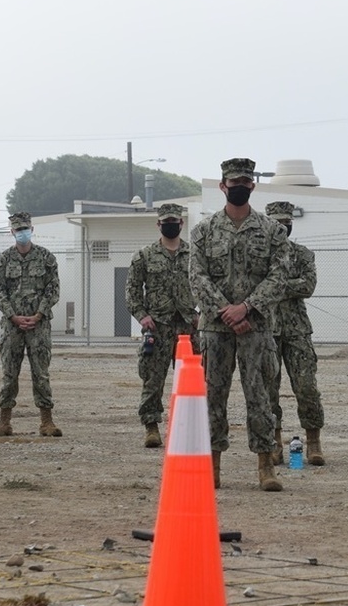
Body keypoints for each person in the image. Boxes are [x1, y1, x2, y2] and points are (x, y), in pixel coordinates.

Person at [189, 158, 290, 492]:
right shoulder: (203, 231)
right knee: (213, 397)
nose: (240, 188)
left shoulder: (271, 231)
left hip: (257, 328)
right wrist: (225, 311)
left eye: (245, 183)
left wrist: (246, 308)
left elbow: (279, 276)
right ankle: (213, 466)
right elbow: (197, 276)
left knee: (260, 396)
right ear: (222, 187)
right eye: (234, 183)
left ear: (252, 187)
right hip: (216, 329)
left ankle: (265, 466)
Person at [125, 202, 198, 449]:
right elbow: (132, 291)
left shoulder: (195, 255)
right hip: (157, 326)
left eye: (174, 222)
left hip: (188, 327)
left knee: (191, 381)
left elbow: (207, 285)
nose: (170, 225)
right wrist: (142, 316)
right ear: (158, 225)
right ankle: (151, 427)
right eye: (165, 222)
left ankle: (186, 426)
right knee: (152, 379)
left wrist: (202, 314)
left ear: (181, 223)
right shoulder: (144, 256)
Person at [263, 201, 326, 466]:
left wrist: (273, 286)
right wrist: (286, 285)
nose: (282, 228)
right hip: (267, 329)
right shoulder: (259, 257)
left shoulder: (303, 254)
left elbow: (308, 286)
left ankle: (313, 442)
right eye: (276, 224)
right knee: (268, 390)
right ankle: (274, 442)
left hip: (297, 330)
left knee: (307, 387)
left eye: (285, 224)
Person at [0, 212, 62, 437]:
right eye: (18, 229)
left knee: (41, 373)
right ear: (12, 232)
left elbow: (53, 289)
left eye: (26, 229)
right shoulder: (2, 261)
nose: (22, 233)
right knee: (9, 373)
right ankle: (4, 421)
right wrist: (13, 316)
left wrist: (39, 314)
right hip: (13, 326)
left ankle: (46, 421)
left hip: (38, 325)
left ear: (32, 230)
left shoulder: (46, 258)